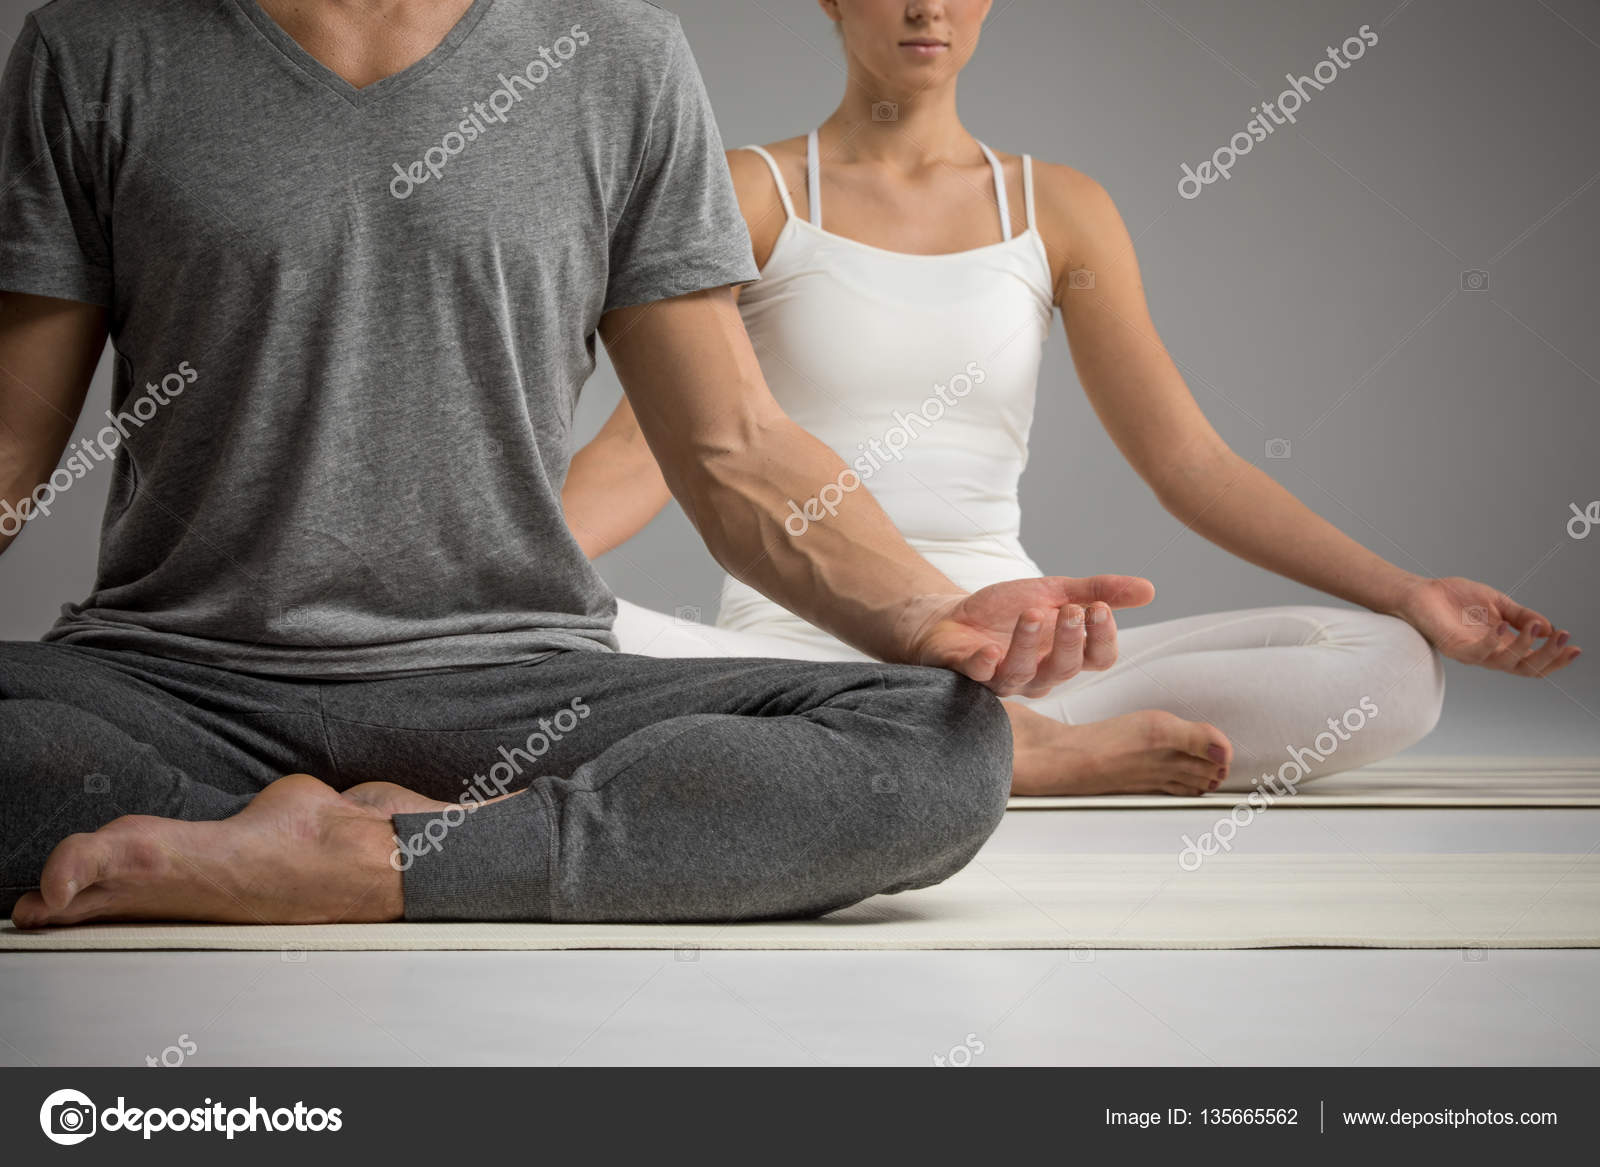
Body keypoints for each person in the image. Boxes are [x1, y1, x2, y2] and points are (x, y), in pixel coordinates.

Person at [0, 0, 1143, 928]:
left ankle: (334, 862)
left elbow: (729, 445)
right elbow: (13, 438)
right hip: (177, 681)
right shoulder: (95, 50)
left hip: (516, 687)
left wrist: (930, 618)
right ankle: (417, 841)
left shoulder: (616, 57)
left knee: (937, 749)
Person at [563, 0, 1581, 798]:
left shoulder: (1058, 210)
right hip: (784, 649)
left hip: (1029, 652)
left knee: (1388, 668)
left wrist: (1407, 592)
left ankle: (953, 741)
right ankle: (1017, 757)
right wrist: (462, 594)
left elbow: (1188, 462)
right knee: (535, 639)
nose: (926, 7)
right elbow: (657, 449)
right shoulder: (748, 192)